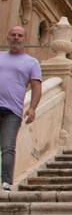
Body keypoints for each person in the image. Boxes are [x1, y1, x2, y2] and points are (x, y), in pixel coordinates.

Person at [0, 25, 42, 194]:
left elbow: (37, 86)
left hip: (13, 111)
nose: (16, 38)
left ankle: (7, 184)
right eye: (13, 35)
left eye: (20, 35)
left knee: (8, 147)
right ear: (8, 37)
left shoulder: (32, 62)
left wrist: (32, 108)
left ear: (24, 39)